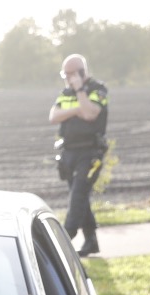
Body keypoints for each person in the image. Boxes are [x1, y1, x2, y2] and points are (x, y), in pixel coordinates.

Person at [48, 54, 109, 256]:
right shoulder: (65, 92)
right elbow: (53, 116)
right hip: (69, 153)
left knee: (78, 195)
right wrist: (78, 109)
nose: (67, 78)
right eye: (64, 74)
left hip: (90, 152)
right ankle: (91, 241)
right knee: (80, 196)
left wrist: (80, 91)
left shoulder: (97, 89)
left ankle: (65, 239)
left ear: (81, 72)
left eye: (70, 74)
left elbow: (91, 114)